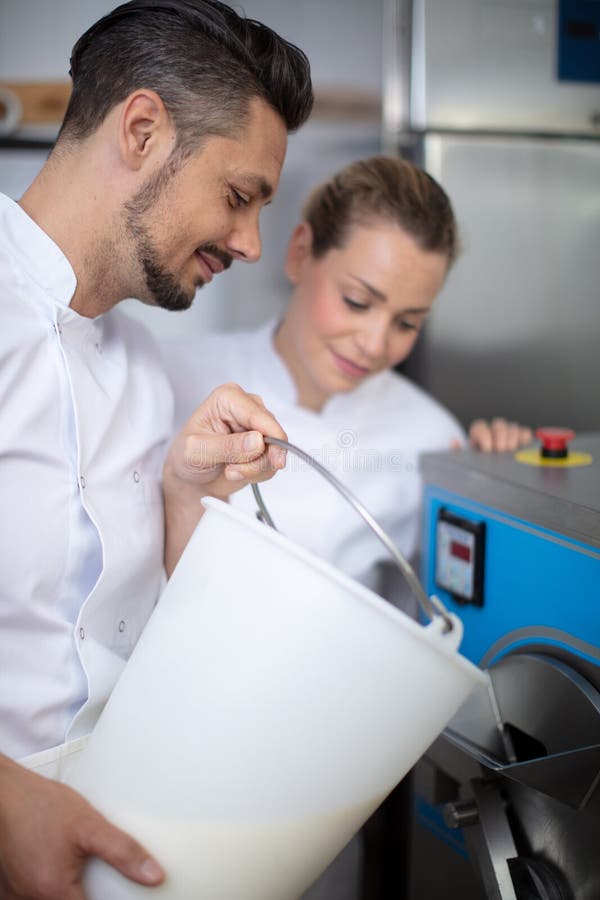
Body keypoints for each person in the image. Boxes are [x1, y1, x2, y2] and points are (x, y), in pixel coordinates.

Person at [0, 1, 313, 897]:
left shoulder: (143, 364)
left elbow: (132, 633)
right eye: (239, 195)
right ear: (141, 129)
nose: (251, 243)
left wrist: (184, 495)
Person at [160, 155, 532, 900]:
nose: (374, 342)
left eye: (407, 322)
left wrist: (503, 487)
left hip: (315, 793)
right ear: (301, 254)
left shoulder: (428, 436)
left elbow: (447, 626)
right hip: (167, 746)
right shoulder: (174, 376)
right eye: (358, 300)